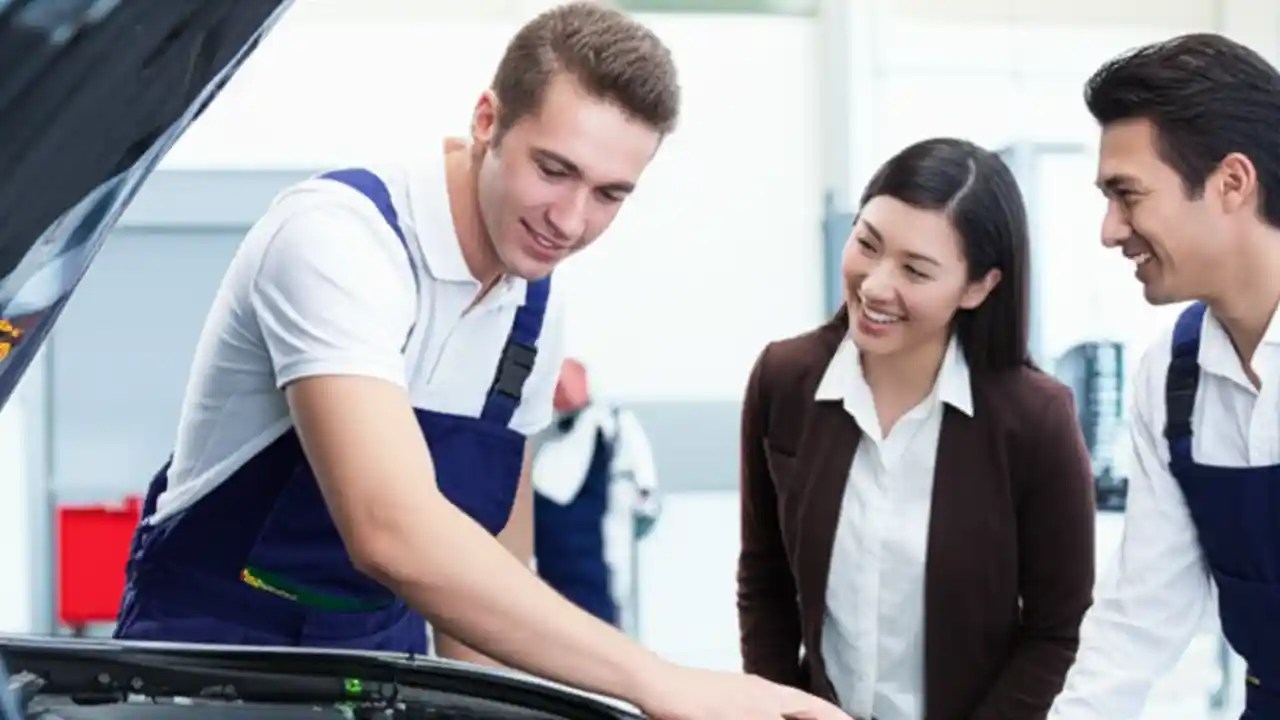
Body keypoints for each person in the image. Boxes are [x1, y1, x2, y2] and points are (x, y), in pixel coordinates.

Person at [110, 3, 851, 718]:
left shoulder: (532, 308)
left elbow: (491, 569)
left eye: (609, 194)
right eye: (554, 170)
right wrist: (657, 681)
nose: (571, 222)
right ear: (487, 120)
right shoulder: (339, 243)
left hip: (380, 670)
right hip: (214, 667)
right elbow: (391, 531)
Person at [737, 137, 1098, 720]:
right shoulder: (787, 381)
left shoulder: (1034, 419)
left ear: (980, 287)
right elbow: (765, 579)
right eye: (867, 244)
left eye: (916, 270)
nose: (877, 286)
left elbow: (1058, 631)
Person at [1048, 33, 1280, 720]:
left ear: (1231, 183)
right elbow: (1139, 616)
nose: (1110, 230)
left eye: (1128, 195)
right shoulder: (1172, 379)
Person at [531, 358, 661, 634]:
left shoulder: (614, 425)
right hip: (552, 580)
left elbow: (645, 501)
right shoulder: (542, 436)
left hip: (598, 573)